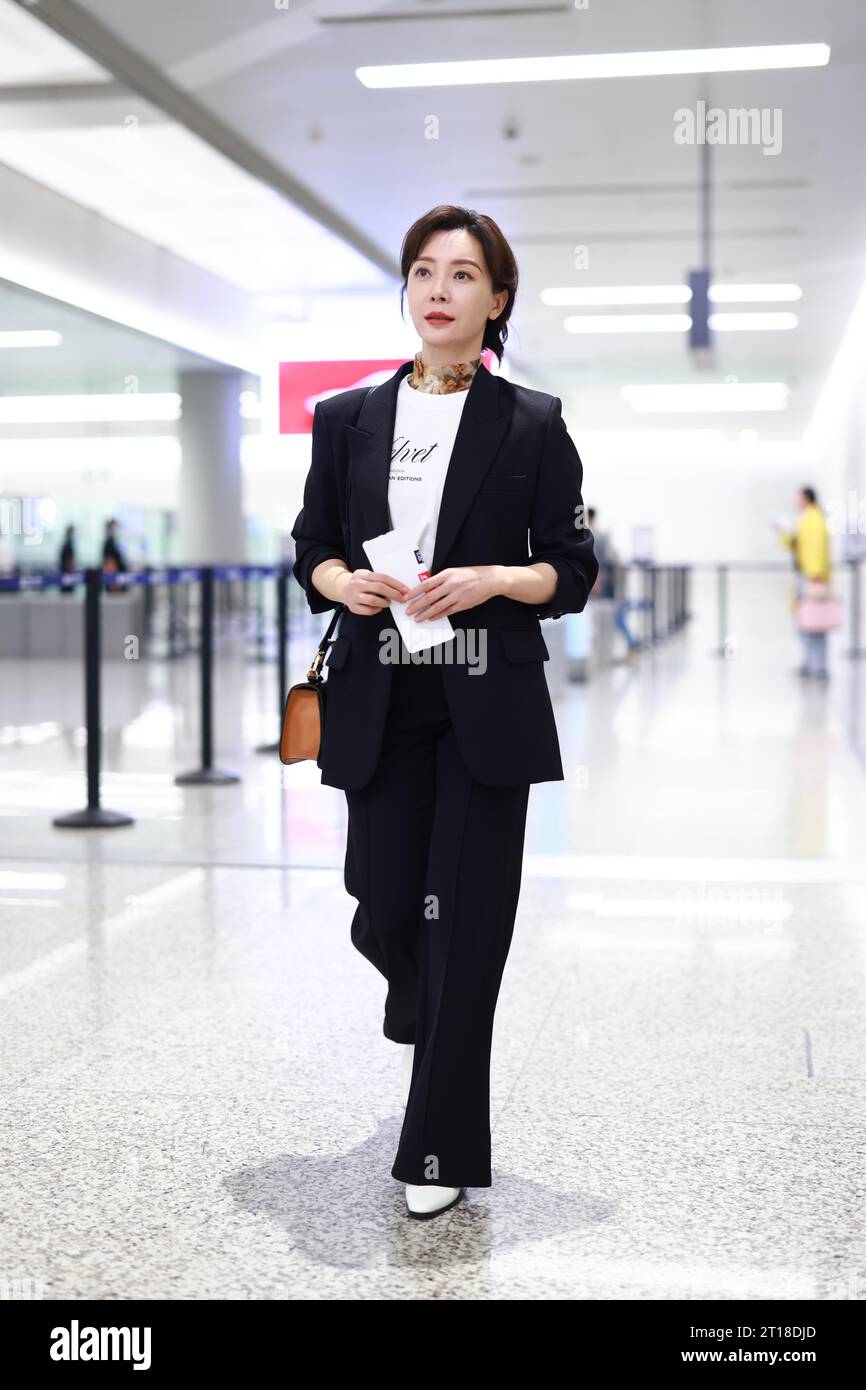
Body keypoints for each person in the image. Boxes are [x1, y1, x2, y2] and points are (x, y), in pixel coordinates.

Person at [291, 204, 598, 1220]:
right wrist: (341, 583)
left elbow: (572, 566)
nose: (437, 289)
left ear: (494, 300)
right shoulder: (346, 419)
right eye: (423, 271)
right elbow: (312, 545)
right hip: (379, 691)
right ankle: (412, 987)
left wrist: (495, 580)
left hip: (484, 697)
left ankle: (440, 1150)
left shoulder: (531, 423)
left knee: (465, 924)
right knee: (384, 902)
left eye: (462, 275)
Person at [774, 486, 831, 679]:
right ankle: (811, 663)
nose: (795, 502)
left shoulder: (813, 520)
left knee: (814, 622)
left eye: (798, 498)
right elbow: (794, 544)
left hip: (810, 578)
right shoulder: (807, 519)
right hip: (808, 576)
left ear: (807, 498)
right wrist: (781, 531)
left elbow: (814, 548)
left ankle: (816, 665)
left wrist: (814, 575)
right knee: (808, 621)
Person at [587, 506, 638, 656]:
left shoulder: (594, 536)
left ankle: (631, 644)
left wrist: (597, 582)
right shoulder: (600, 536)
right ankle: (628, 645)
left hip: (605, 588)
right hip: (609, 587)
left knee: (615, 618)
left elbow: (598, 563)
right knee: (613, 618)